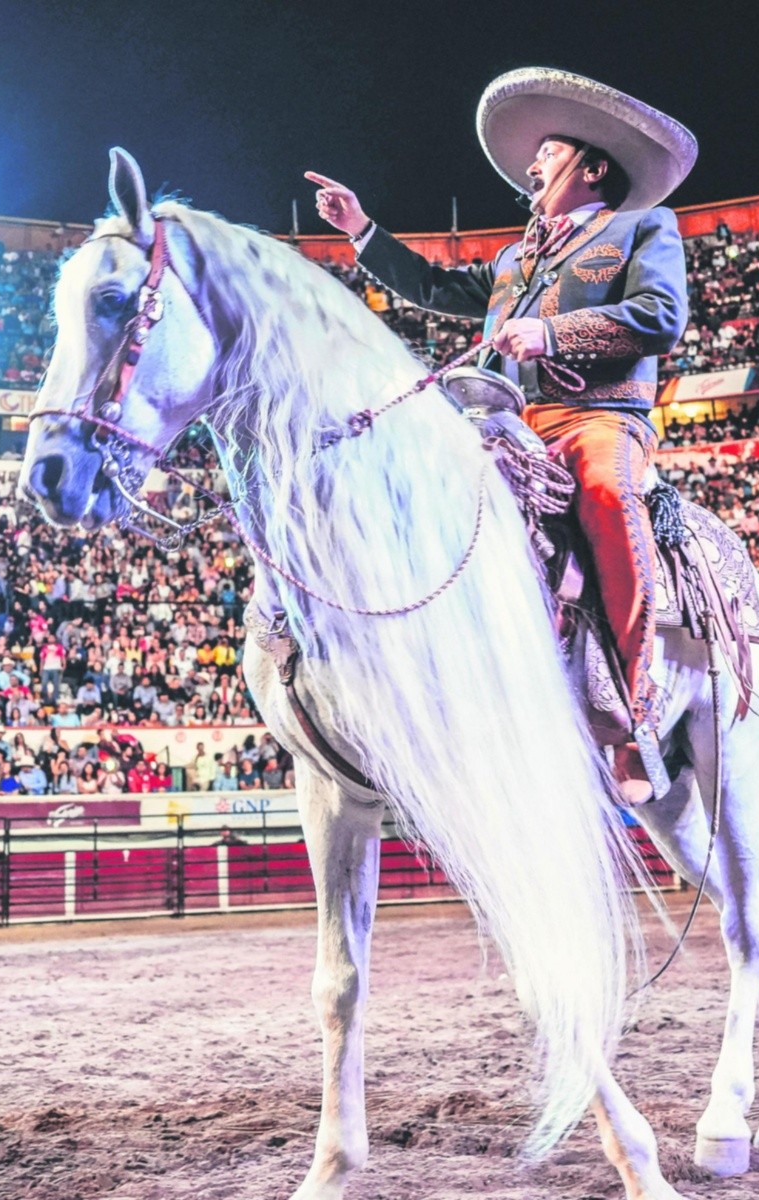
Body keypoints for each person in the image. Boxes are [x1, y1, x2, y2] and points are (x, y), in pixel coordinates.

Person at [308, 67, 695, 802]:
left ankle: (637, 718)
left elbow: (660, 317)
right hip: (508, 422)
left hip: (601, 417)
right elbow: (436, 290)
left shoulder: (642, 228)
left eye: (546, 154)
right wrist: (362, 230)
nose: (532, 166)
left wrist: (551, 334)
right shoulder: (516, 258)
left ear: (593, 166)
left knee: (609, 497)